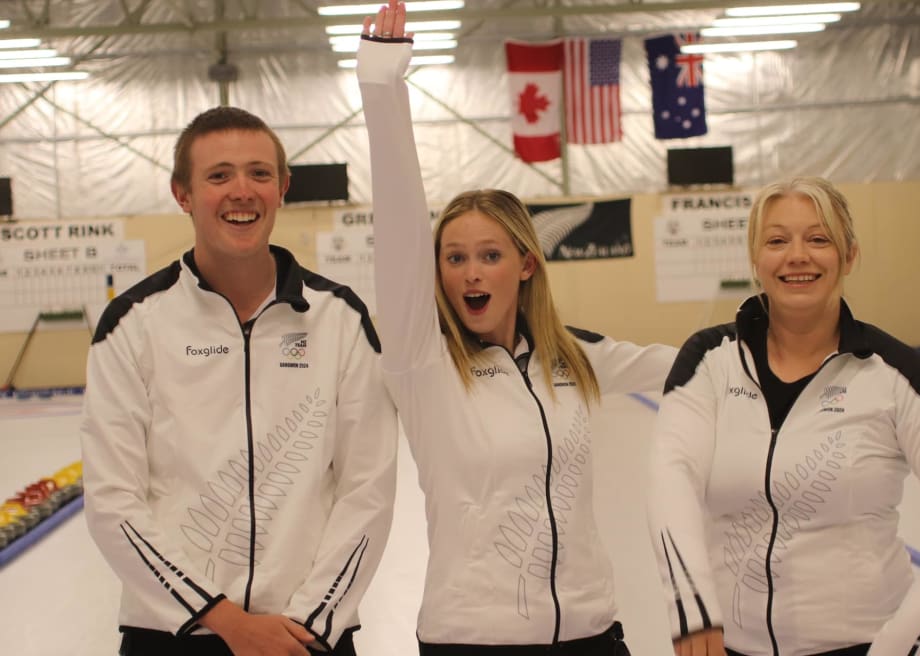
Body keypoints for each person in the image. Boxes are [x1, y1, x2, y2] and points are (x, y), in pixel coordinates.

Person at [357, 4, 678, 654]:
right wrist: (382, 84)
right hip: (474, 640)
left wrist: (781, 336)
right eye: (454, 257)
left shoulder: (574, 357)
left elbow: (688, 364)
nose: (470, 273)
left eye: (489, 255)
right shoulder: (423, 363)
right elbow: (396, 225)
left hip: (592, 632)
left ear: (526, 265)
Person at [80, 106, 399, 656]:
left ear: (283, 188)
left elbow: (366, 489)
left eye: (259, 173)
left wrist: (309, 622)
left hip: (308, 636)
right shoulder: (134, 323)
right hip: (175, 633)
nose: (242, 191)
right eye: (219, 175)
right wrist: (226, 620)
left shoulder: (340, 319)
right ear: (182, 194)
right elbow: (113, 500)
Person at [647, 176, 920, 656]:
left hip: (867, 645)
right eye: (776, 240)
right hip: (732, 646)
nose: (797, 256)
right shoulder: (709, 359)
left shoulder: (895, 371)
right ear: (755, 258)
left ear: (849, 255)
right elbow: (671, 474)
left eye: (818, 239)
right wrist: (691, 606)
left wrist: (904, 641)